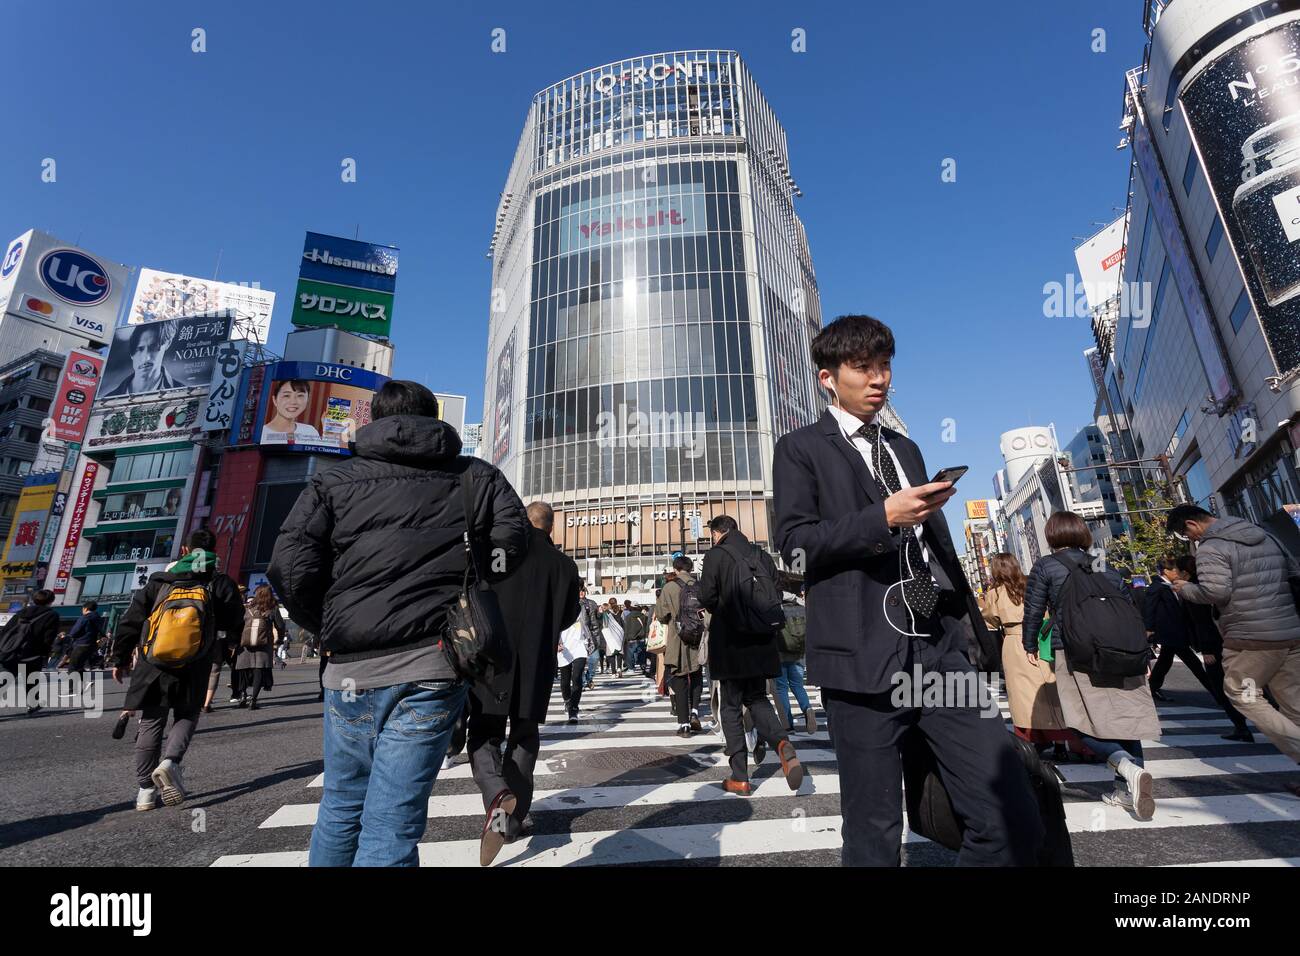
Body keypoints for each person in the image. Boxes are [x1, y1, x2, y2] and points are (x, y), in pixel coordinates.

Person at [773, 313, 1041, 865]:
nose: (879, 379)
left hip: (937, 648)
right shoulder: (801, 448)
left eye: (886, 366)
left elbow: (934, 545)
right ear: (829, 378)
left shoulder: (906, 447)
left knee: (1008, 807)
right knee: (873, 829)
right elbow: (795, 544)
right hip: (861, 656)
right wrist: (883, 517)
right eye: (863, 367)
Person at [268, 379, 529, 867]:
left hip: (350, 666)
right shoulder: (475, 475)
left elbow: (287, 566)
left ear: (373, 419)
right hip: (433, 661)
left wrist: (326, 625)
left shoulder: (334, 481)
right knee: (394, 817)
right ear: (435, 419)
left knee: (342, 803)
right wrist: (474, 577)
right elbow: (512, 541)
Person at [1022, 512, 1159, 820]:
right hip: (1123, 647)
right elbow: (1127, 606)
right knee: (1127, 721)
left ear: (1052, 535)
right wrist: (1145, 652)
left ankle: (1123, 765)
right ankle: (1126, 789)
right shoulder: (1101, 561)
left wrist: (1029, 644)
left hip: (1075, 648)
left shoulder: (1046, 565)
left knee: (1076, 719)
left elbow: (1034, 609)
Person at [468, 501, 580, 866]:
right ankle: (510, 821)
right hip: (536, 663)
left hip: (493, 659)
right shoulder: (564, 566)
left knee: (484, 732)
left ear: (523, 522)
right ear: (552, 528)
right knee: (524, 736)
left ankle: (496, 792)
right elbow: (568, 616)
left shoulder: (498, 552)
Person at [111, 529, 245, 810]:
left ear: (185, 550)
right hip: (195, 660)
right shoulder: (220, 582)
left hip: (154, 661)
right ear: (214, 552)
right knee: (186, 714)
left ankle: (145, 791)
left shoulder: (160, 580)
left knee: (151, 720)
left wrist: (120, 657)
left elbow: (132, 620)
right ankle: (171, 762)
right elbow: (234, 619)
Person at [1167, 504, 1300, 774]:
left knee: (1244, 693)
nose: (1189, 539)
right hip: (1289, 630)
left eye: (1185, 534)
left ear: (1192, 525)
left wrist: (1186, 588)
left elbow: (1216, 593)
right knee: (1294, 702)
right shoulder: (1264, 534)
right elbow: (1294, 572)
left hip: (1251, 639)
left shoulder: (1211, 548)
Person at [697, 514, 803, 795]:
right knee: (757, 697)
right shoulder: (762, 554)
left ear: (718, 532)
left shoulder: (715, 555)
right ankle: (782, 743)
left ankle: (740, 777)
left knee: (730, 705)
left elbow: (707, 597)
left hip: (730, 639)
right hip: (761, 638)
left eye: (712, 534)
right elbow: (776, 591)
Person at [979, 553, 1068, 745]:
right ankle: (1061, 739)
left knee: (1021, 694)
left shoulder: (995, 593)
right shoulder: (1031, 583)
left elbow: (990, 618)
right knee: (1049, 686)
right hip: (1041, 636)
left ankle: (1032, 739)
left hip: (1013, 641)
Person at [1174, 555, 1253, 742]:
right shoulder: (1212, 584)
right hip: (1236, 639)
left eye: (1178, 570)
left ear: (1185, 572)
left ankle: (1242, 727)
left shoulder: (1192, 590)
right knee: (1247, 681)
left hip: (1215, 645)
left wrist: (1206, 649)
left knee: (1222, 687)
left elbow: (1202, 621)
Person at [653, 555, 704, 735]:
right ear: (690, 569)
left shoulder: (669, 587)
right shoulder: (700, 586)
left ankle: (683, 723)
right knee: (697, 673)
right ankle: (695, 712)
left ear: (675, 569)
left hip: (678, 638)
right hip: (699, 638)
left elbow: (660, 615)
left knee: (679, 678)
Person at [0, 589, 61, 715]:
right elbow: (48, 638)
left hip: (11, 651)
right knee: (31, 678)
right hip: (32, 653)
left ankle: (34, 703)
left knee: (6, 678)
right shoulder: (51, 615)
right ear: (51, 601)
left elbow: (6, 631)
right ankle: (33, 704)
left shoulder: (21, 612)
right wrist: (45, 654)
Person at [233, 585, 286, 710]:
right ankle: (254, 699)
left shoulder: (248, 608)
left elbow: (238, 625)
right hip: (264, 644)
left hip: (246, 644)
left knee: (244, 670)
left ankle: (243, 696)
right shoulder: (272, 609)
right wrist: (279, 638)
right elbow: (280, 625)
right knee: (258, 671)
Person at [773, 589, 817, 735]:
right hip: (799, 652)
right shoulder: (802, 604)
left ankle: (788, 725)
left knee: (781, 688)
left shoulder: (775, 604)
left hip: (780, 652)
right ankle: (807, 708)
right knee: (798, 685)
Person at [105, 321, 179, 397]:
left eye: (153, 347)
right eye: (140, 349)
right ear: (131, 354)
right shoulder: (109, 399)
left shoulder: (180, 393)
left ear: (167, 344)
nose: (146, 358)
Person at [261, 379, 322, 444]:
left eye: (300, 395)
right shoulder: (261, 434)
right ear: (275, 400)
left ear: (307, 400)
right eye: (286, 395)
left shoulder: (310, 432)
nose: (293, 402)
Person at [62, 600, 104, 677]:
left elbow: (75, 631)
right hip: (92, 645)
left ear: (85, 608)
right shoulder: (99, 618)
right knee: (79, 666)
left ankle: (72, 688)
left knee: (72, 668)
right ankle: (86, 681)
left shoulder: (84, 618)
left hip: (81, 644)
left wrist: (68, 637)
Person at [578, 586, 601, 689]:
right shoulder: (572, 603)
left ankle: (589, 677)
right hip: (577, 635)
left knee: (595, 658)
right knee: (580, 660)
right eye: (579, 591)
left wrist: (600, 613)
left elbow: (597, 619)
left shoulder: (591, 603)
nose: (581, 593)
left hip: (592, 634)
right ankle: (582, 682)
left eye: (583, 590)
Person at [601, 597, 625, 677]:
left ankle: (613, 672)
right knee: (619, 652)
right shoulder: (621, 612)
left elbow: (605, 624)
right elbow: (624, 623)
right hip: (620, 634)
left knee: (611, 654)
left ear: (609, 603)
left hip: (610, 635)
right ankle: (619, 667)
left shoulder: (607, 613)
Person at [623, 604, 646, 676]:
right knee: (642, 652)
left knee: (630, 654)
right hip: (641, 637)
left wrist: (626, 638)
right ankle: (643, 665)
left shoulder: (628, 617)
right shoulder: (644, 617)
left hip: (631, 638)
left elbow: (626, 628)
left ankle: (631, 668)